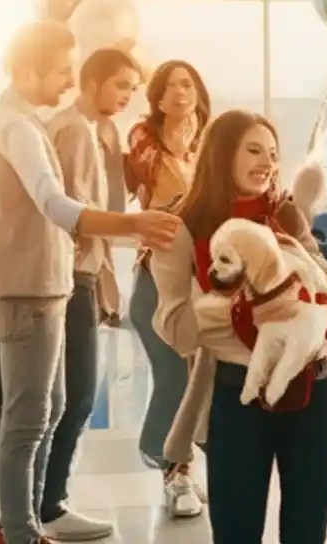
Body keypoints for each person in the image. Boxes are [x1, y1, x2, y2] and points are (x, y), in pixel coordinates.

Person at [0, 21, 180, 544]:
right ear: (25, 70)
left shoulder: (23, 121)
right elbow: (55, 204)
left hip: (45, 286)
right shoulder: (18, 127)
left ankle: (32, 521)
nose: (70, 78)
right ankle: (20, 532)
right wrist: (134, 224)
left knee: (54, 408)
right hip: (26, 292)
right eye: (63, 69)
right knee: (26, 420)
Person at [150, 110, 327, 544]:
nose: (267, 161)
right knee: (236, 532)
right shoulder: (183, 228)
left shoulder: (285, 216)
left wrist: (301, 279)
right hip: (237, 392)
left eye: (273, 153)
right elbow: (178, 330)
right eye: (254, 150)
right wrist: (240, 313)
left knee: (307, 532)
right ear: (221, 154)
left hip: (314, 387)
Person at [39, 47, 143, 541]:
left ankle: (47, 501)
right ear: (93, 80)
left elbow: (103, 210)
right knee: (75, 395)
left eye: (131, 89)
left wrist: (106, 275)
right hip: (66, 274)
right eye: (121, 85)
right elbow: (74, 213)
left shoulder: (103, 131)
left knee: (72, 395)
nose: (126, 96)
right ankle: (48, 505)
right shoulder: (74, 130)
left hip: (83, 271)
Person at [122, 59, 209, 517]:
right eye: (172, 85)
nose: (182, 91)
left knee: (197, 378)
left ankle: (178, 464)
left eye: (188, 83)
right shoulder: (146, 139)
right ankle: (172, 466)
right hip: (154, 279)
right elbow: (156, 179)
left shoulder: (206, 147)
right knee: (174, 376)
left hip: (198, 280)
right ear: (156, 98)